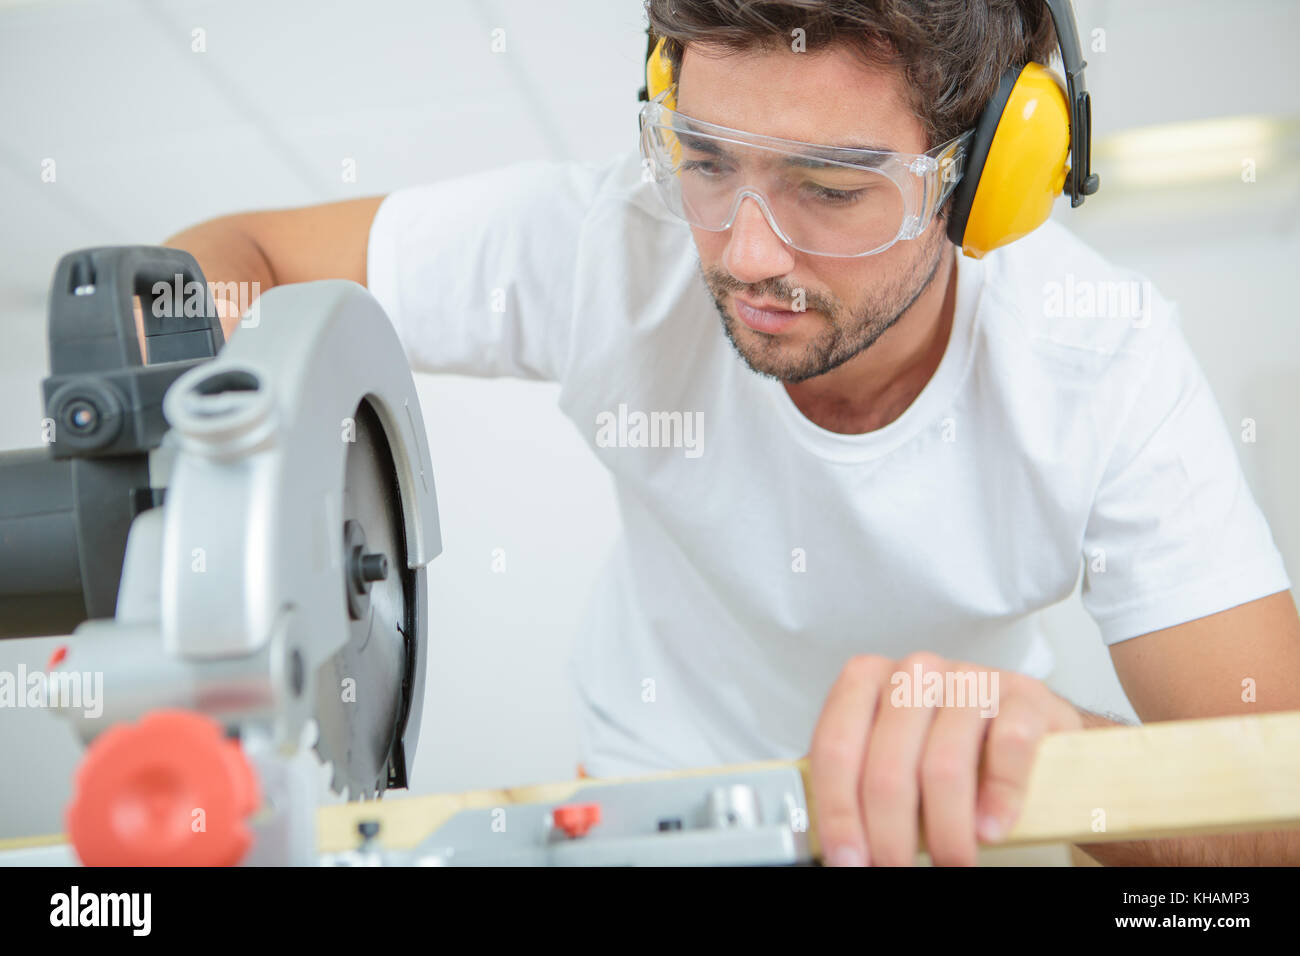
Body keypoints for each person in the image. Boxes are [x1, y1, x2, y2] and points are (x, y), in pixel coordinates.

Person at [162, 0, 1300, 865]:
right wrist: (206, 492)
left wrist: (1062, 758)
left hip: (950, 812)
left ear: (983, 183)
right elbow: (226, 260)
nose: (745, 252)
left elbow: (1278, 803)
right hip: (648, 798)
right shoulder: (606, 240)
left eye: (830, 189)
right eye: (707, 160)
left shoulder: (1103, 362)